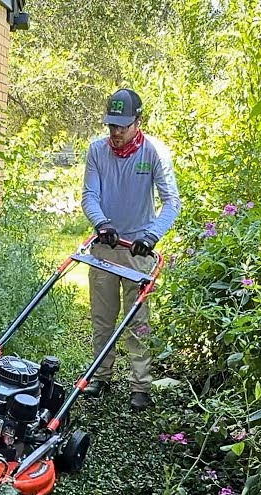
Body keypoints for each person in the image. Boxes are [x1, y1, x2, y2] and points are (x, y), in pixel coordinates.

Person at [80, 87, 181, 410]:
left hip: (138, 249)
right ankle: (100, 377)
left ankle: (140, 386)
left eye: (122, 126)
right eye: (111, 125)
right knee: (102, 318)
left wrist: (152, 235)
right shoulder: (97, 152)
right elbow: (89, 196)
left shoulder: (154, 153)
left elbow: (171, 202)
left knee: (137, 321)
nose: (116, 132)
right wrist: (101, 223)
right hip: (106, 246)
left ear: (138, 121)